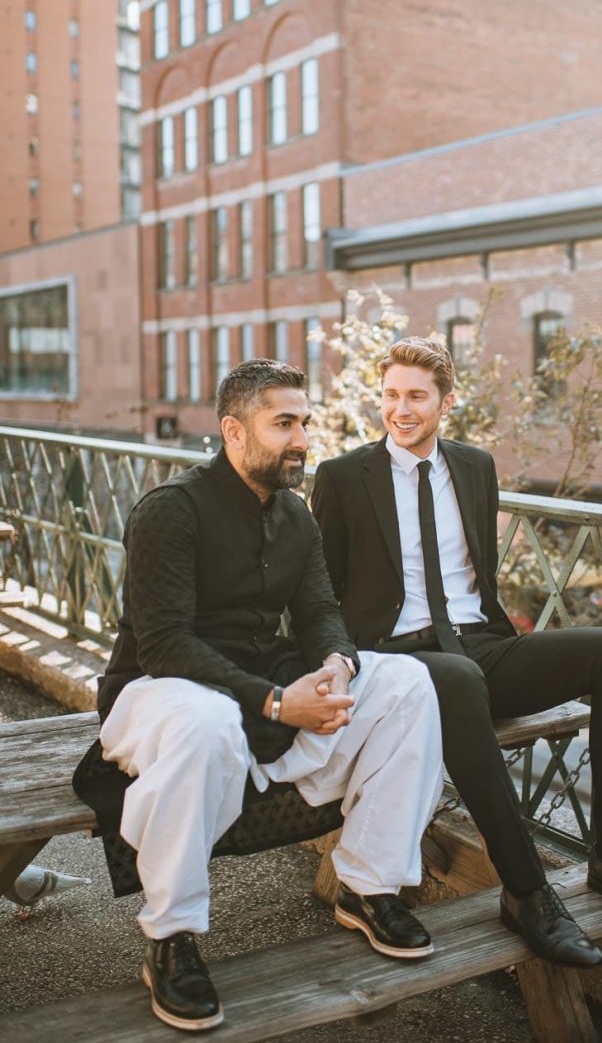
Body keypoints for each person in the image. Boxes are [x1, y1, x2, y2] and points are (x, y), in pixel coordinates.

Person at [79, 360, 444, 1032]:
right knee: (209, 719)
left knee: (406, 682)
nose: (302, 436)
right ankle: (172, 936)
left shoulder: (295, 514)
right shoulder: (170, 510)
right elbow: (164, 644)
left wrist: (336, 663)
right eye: (284, 422)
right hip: (158, 690)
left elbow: (319, 610)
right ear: (233, 431)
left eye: (305, 420)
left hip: (255, 678)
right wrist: (276, 702)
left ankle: (369, 884)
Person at [312, 337, 602, 971]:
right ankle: (528, 892)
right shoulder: (343, 478)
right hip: (398, 662)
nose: (402, 409)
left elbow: (479, 575)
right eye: (391, 395)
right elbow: (323, 593)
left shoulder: (475, 467)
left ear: (446, 402)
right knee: (456, 681)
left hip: (479, 645)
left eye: (417, 396)